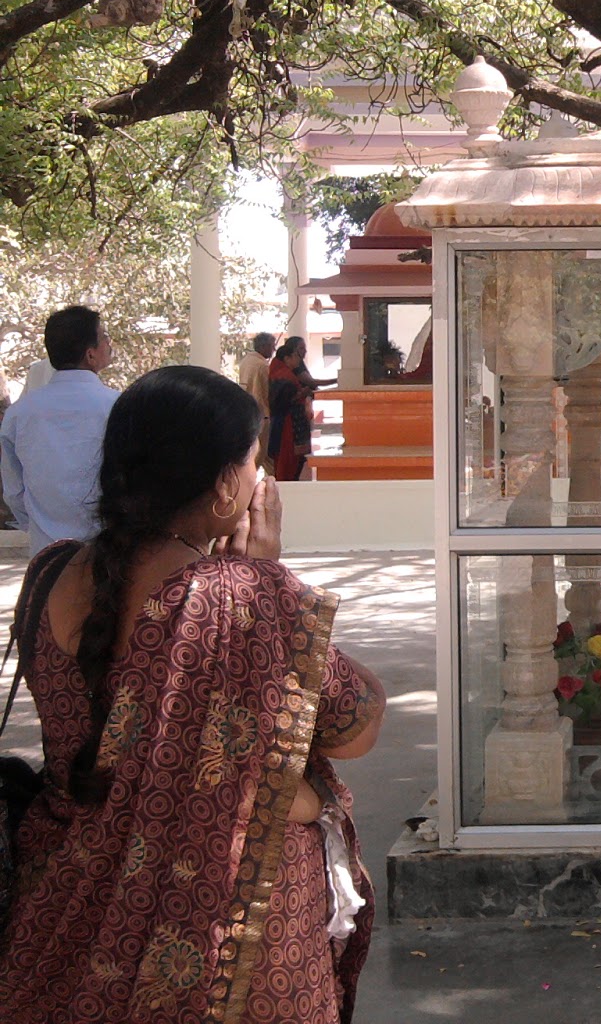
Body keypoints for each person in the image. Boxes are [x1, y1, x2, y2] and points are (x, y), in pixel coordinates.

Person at [0, 365, 385, 1022]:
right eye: (255, 460)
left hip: (66, 914)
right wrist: (262, 579)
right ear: (226, 484)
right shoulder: (240, 598)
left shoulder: (50, 572)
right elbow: (356, 727)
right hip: (221, 935)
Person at [0, 306, 119, 554]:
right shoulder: (119, 407)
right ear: (90, 355)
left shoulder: (19, 414)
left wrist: (38, 526)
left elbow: (13, 491)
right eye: (104, 337)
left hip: (46, 553)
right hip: (107, 552)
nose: (109, 343)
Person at [266, 336, 328, 482]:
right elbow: (283, 401)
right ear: (287, 358)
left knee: (296, 460)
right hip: (287, 424)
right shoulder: (283, 375)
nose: (299, 359)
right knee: (287, 459)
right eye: (296, 355)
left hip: (293, 422)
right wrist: (302, 394)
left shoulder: (285, 373)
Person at [238, 331, 275, 469]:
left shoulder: (246, 361)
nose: (273, 350)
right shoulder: (262, 366)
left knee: (261, 456)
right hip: (261, 412)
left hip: (246, 411)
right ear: (264, 346)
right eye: (272, 346)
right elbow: (268, 392)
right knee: (260, 454)